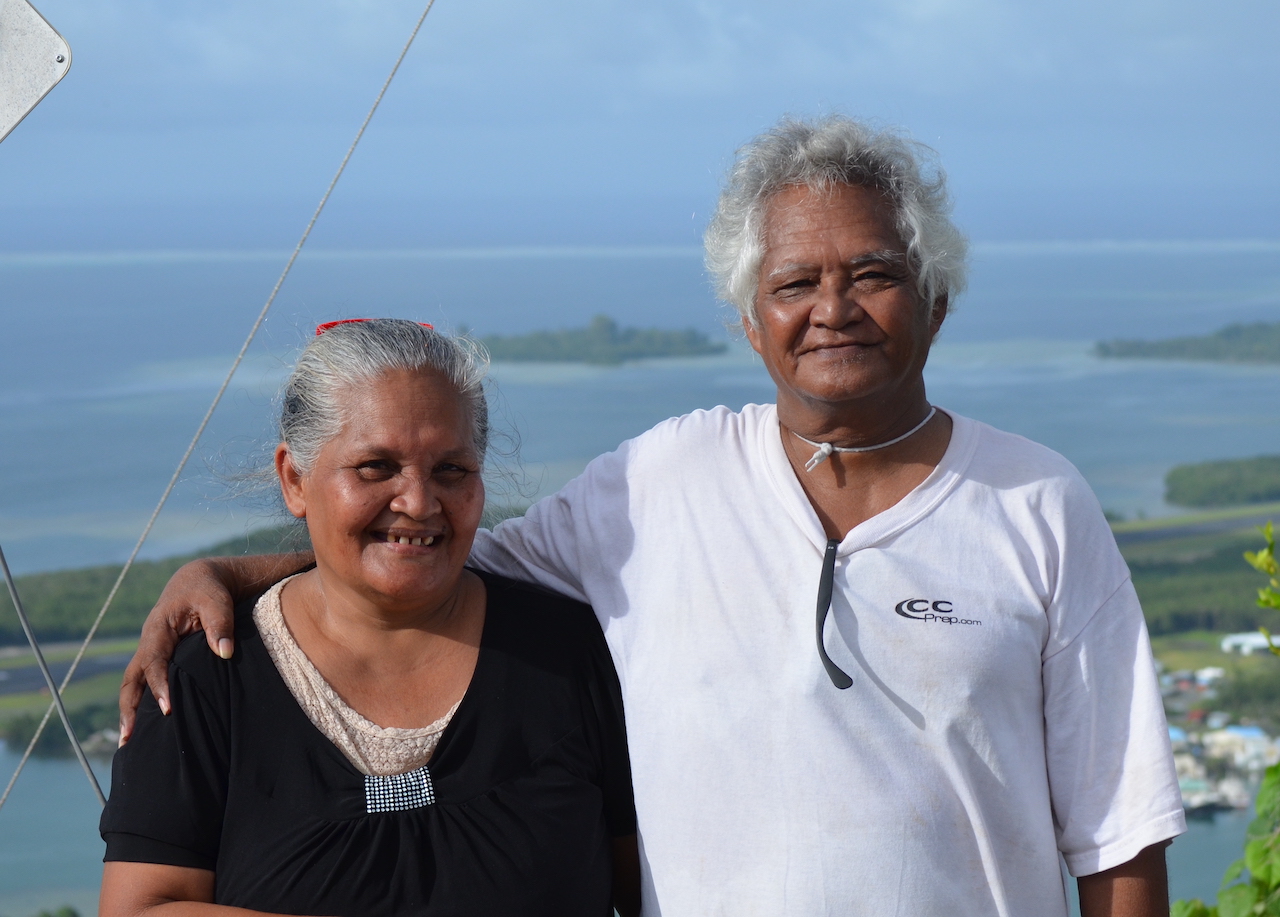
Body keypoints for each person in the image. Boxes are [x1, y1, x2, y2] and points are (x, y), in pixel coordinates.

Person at [120, 116, 1184, 916]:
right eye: (794, 282)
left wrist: (240, 567)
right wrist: (237, 574)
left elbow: (1119, 834)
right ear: (748, 319)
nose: (832, 308)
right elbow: (427, 556)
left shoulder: (1037, 504)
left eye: (873, 274)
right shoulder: (662, 479)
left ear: (937, 298)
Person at [100, 319, 640, 917]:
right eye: (376, 467)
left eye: (451, 470)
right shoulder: (211, 676)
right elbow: (141, 908)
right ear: (295, 479)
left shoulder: (571, 656)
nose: (418, 502)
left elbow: (658, 887)